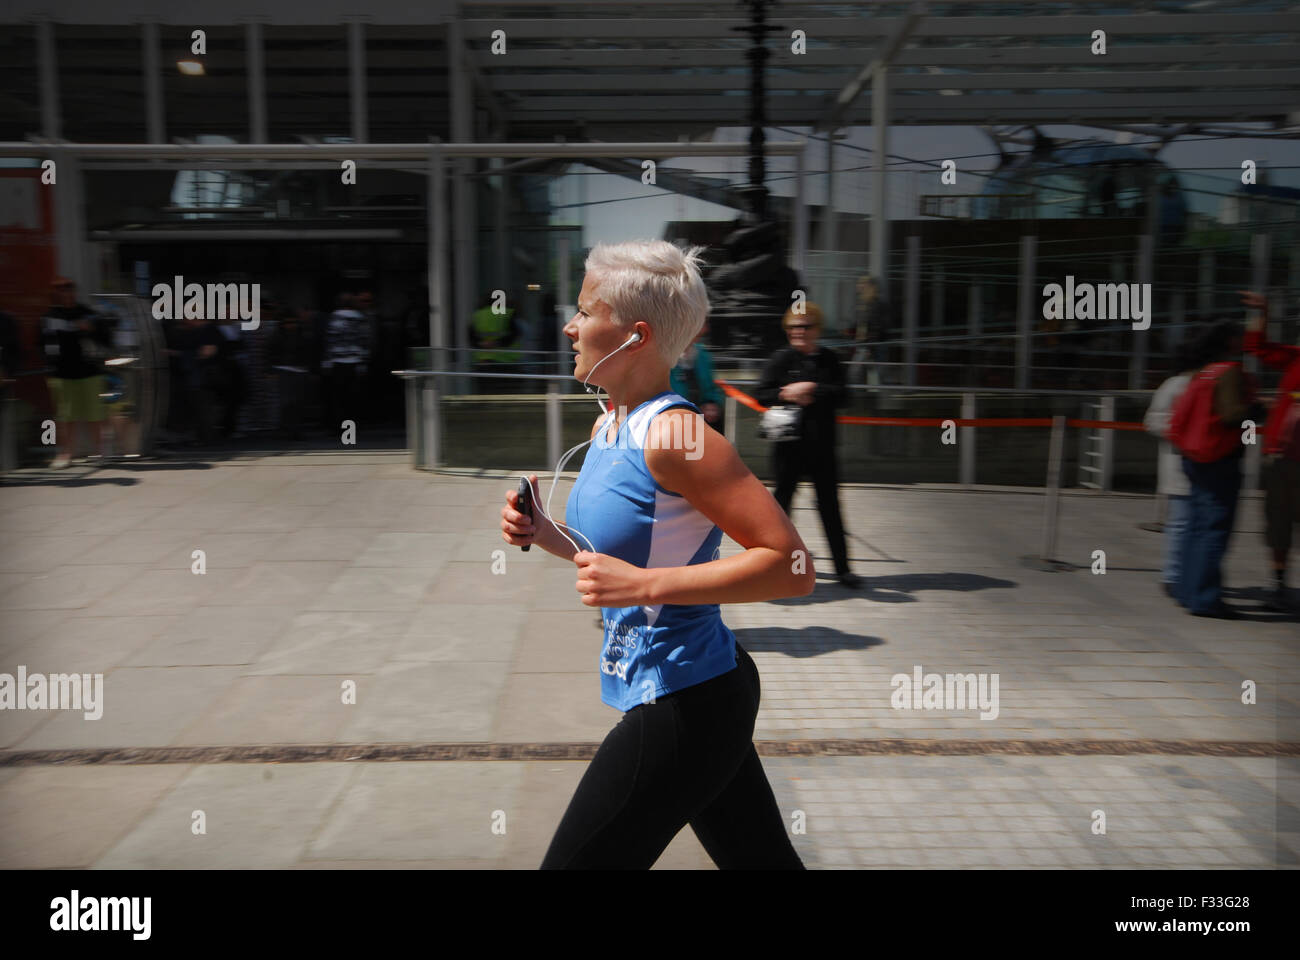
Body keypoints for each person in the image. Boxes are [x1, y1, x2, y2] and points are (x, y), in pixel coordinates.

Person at [500, 239, 813, 869]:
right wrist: (542, 532)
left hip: (687, 698)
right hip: (687, 689)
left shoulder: (679, 435)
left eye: (586, 312)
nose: (570, 325)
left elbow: (791, 565)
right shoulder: (609, 424)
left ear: (634, 335)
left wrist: (644, 586)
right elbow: (610, 558)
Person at [754, 302, 858, 588]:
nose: (798, 332)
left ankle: (843, 568)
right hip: (788, 448)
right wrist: (786, 393)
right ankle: (770, 567)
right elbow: (761, 393)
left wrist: (812, 389)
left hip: (822, 448)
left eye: (805, 326)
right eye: (793, 327)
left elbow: (844, 395)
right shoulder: (781, 359)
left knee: (830, 507)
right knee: (780, 508)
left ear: (817, 330)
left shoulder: (830, 360)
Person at [1172, 321, 1263, 619]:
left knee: (1197, 527)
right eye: (1240, 335)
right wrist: (1261, 407)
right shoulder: (1229, 372)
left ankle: (1187, 592)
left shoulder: (1204, 372)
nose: (1244, 339)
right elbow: (1231, 415)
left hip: (1194, 457)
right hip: (1219, 459)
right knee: (1214, 530)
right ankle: (1206, 599)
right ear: (1230, 341)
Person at [1240, 291, 1300, 612]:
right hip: (1281, 455)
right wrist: (1260, 312)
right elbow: (1256, 347)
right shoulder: (1296, 357)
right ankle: (1278, 582)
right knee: (1278, 522)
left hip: (1286, 455)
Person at [1144, 343, 1199, 599]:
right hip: (1180, 464)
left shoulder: (1205, 382)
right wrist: (1185, 435)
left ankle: (1189, 575)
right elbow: (1154, 420)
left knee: (1196, 526)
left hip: (1205, 465)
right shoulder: (1175, 385)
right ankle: (1173, 576)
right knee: (1180, 524)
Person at [40, 278, 113, 467]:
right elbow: (43, 345)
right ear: (56, 294)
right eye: (62, 291)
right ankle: (66, 454)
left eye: (69, 290)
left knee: (94, 414)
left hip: (89, 371)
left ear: (74, 292)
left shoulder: (88, 314)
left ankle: (98, 453)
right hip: (61, 373)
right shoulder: (49, 317)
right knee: (65, 416)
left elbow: (106, 339)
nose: (67, 294)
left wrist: (91, 329)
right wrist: (50, 367)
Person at [323, 292, 370, 431]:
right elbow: (365, 341)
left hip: (338, 361)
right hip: (355, 361)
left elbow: (329, 341)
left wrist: (326, 361)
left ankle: (338, 426)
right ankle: (353, 427)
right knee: (354, 397)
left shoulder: (334, 318)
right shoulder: (361, 319)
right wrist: (363, 363)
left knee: (338, 397)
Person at [669, 319, 722, 429]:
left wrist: (712, 403)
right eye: (701, 324)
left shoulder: (703, 355)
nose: (705, 329)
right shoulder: (664, 356)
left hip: (697, 422)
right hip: (670, 421)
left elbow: (711, 388)